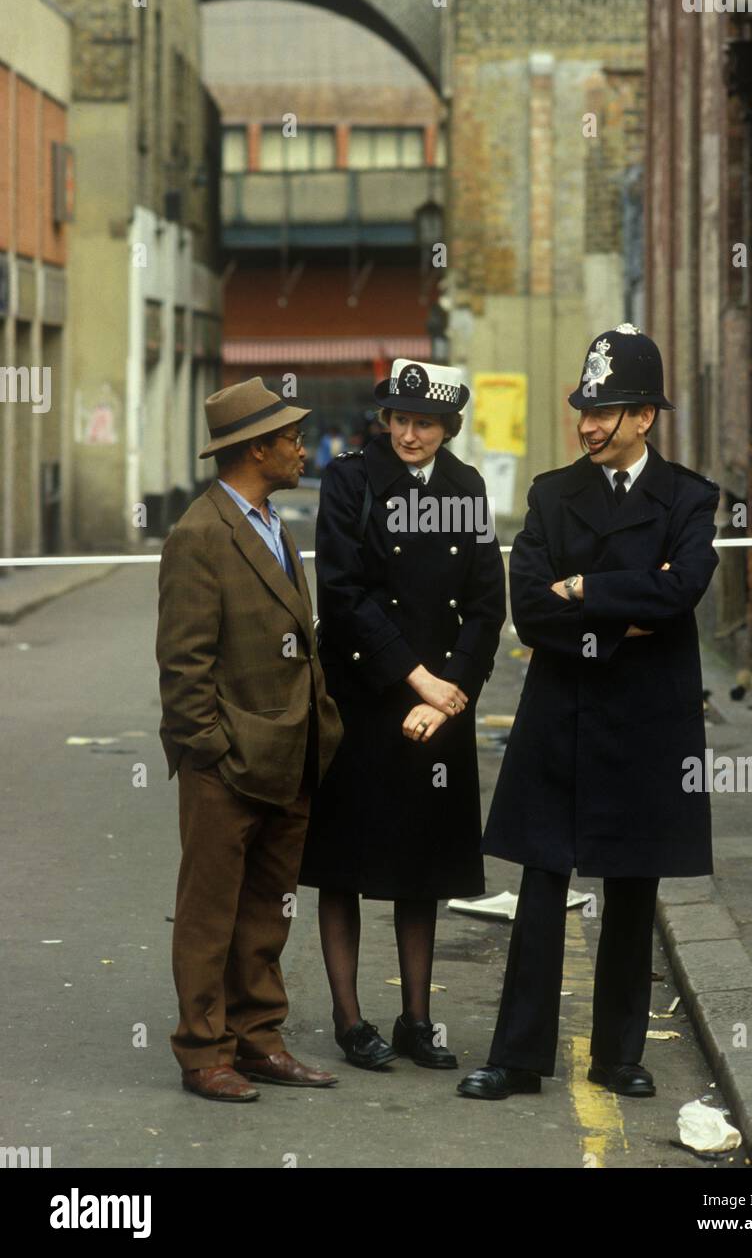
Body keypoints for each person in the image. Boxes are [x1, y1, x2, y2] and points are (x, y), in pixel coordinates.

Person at [458, 324, 720, 1101]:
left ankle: (617, 1056)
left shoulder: (691, 498)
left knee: (634, 888)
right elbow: (532, 612)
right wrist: (620, 612)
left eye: (607, 411)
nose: (588, 424)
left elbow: (679, 596)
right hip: (563, 715)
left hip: (647, 722)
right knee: (542, 884)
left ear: (646, 417)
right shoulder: (550, 494)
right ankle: (518, 1057)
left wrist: (588, 590)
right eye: (584, 407)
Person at [298, 359, 506, 1071]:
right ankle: (350, 1019)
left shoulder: (466, 488)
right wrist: (417, 679)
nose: (410, 434)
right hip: (362, 698)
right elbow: (345, 594)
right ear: (384, 419)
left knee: (425, 863)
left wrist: (453, 691)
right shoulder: (349, 481)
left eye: (425, 423)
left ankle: (418, 1018)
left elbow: (485, 605)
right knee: (345, 862)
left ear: (448, 428)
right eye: (399, 419)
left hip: (438, 707)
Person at [156, 377, 344, 1102]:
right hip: (229, 766)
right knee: (210, 915)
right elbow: (183, 666)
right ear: (255, 448)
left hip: (289, 755)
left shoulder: (273, 521)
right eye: (291, 438)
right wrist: (214, 752)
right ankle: (204, 1053)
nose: (303, 447)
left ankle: (258, 1038)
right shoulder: (199, 535)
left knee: (267, 910)